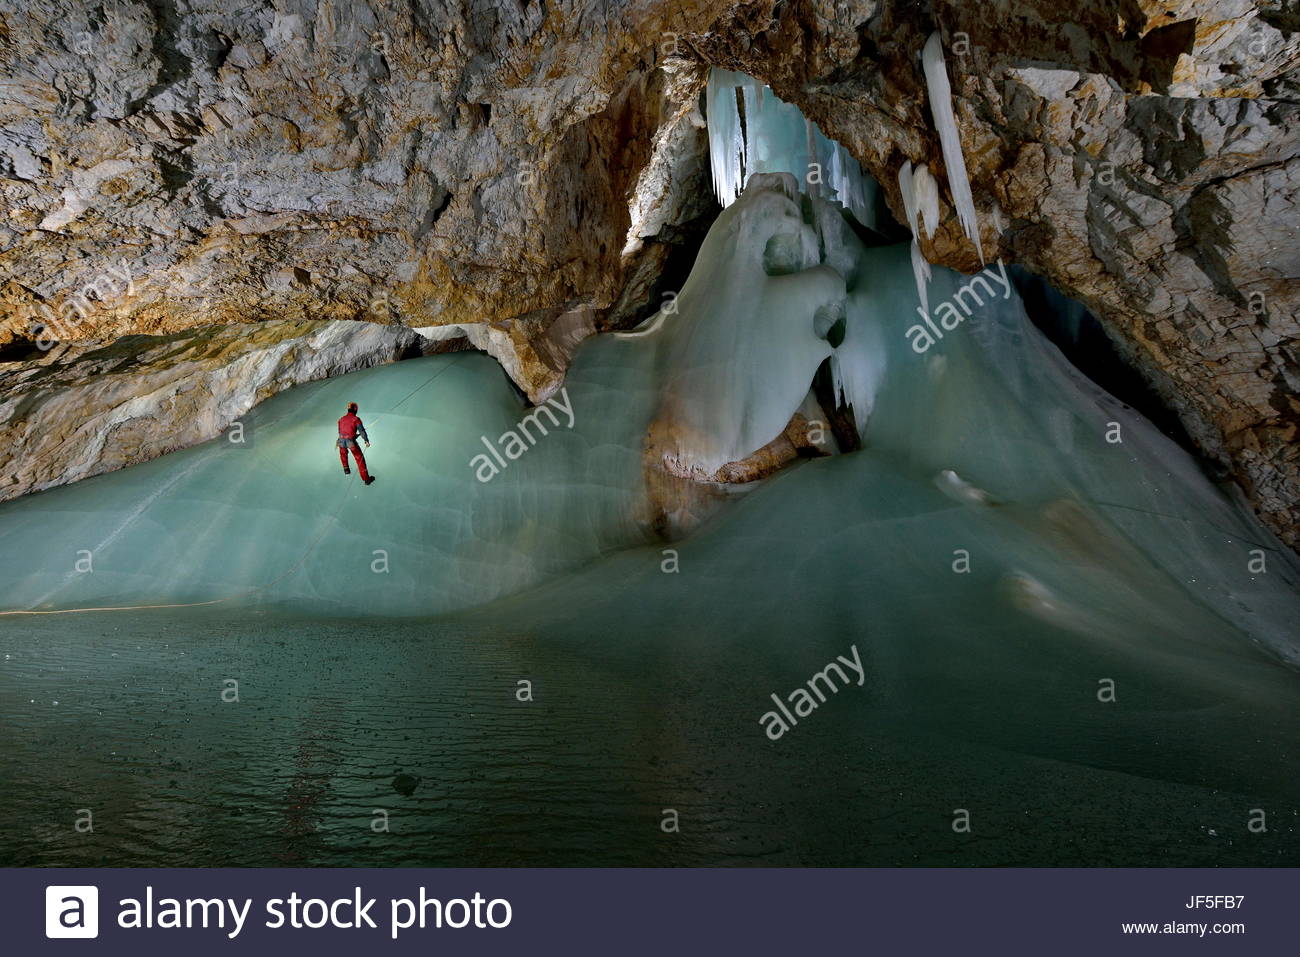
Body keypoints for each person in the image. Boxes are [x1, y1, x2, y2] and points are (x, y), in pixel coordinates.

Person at [337, 402, 376, 485]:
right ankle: (366, 479)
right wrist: (366, 440)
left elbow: (341, 431)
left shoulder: (341, 419)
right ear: (355, 409)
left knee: (343, 454)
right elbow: (361, 431)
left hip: (340, 441)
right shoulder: (356, 419)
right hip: (350, 442)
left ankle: (346, 469)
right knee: (359, 458)